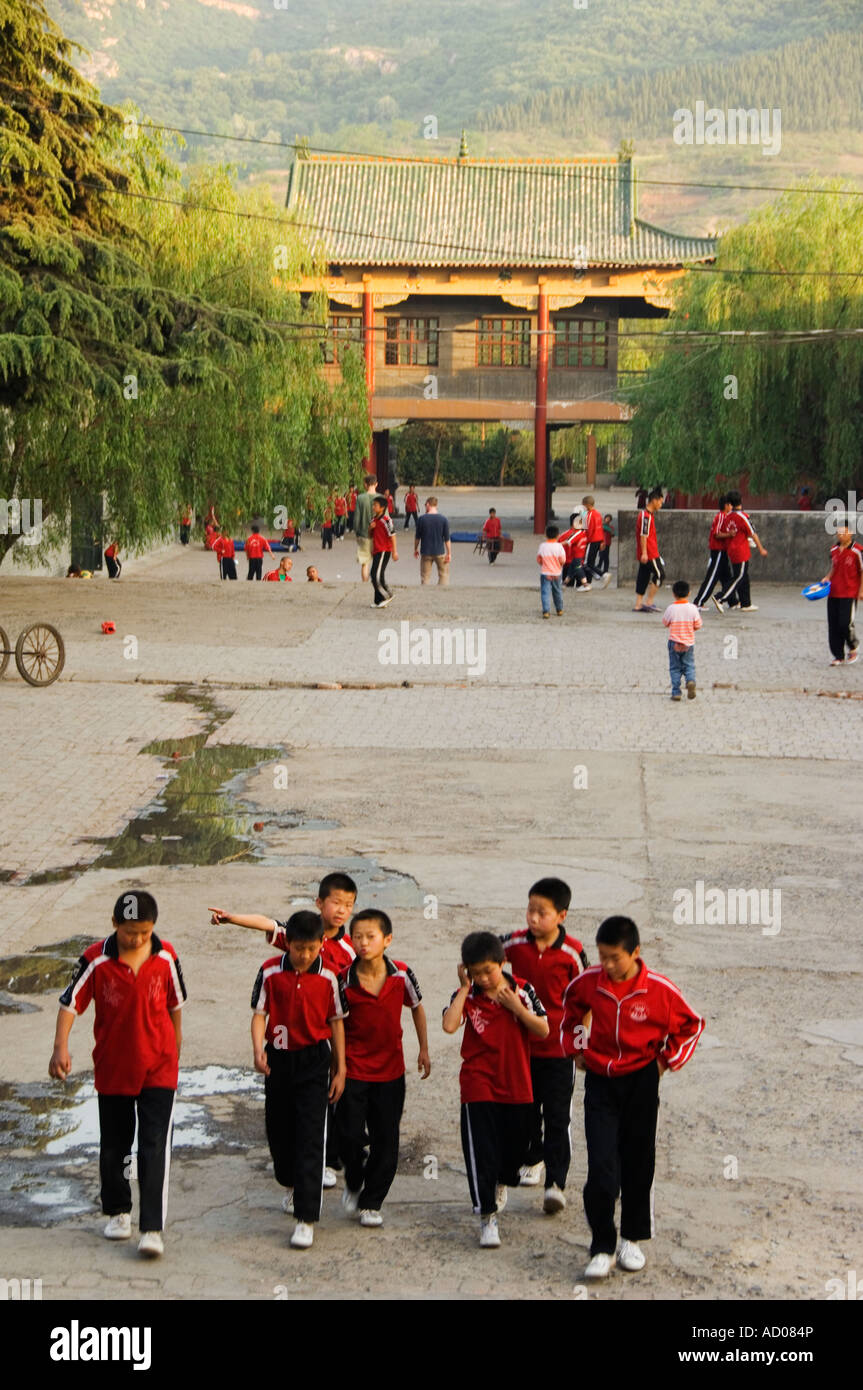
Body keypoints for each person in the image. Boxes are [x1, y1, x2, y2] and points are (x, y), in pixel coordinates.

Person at [560, 916, 704, 1280]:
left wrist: (663, 1063)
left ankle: (632, 1238)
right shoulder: (590, 982)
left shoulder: (659, 990)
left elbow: (691, 1025)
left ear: (635, 952)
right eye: (602, 956)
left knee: (638, 1161)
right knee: (602, 1165)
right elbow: (570, 1008)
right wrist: (577, 1049)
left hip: (642, 1081)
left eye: (615, 958)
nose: (607, 965)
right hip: (601, 1081)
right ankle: (602, 1246)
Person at [49, 889, 186, 1258]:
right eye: (129, 931)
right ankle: (118, 1210)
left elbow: (176, 1005)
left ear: (153, 927)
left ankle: (152, 1228)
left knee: (154, 1146)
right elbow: (70, 1003)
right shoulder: (96, 959)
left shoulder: (166, 956)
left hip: (159, 1067)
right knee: (116, 1146)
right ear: (114, 925)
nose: (136, 938)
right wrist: (60, 1046)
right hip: (113, 1067)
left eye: (142, 931)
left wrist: (175, 1049)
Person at [210, 871, 358, 1188]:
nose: (342, 910)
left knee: (330, 1100)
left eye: (349, 904)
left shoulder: (349, 950)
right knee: (290, 1110)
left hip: (330, 1031)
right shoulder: (298, 935)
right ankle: (295, 1163)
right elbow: (267, 923)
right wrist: (232, 918)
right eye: (336, 902)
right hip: (290, 1036)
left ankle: (327, 1160)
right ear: (320, 903)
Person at [442, 931, 548, 1248]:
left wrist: (518, 1008)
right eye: (476, 973)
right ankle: (487, 1216)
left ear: (502, 963)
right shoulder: (468, 994)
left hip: (516, 1082)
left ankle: (503, 1179)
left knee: (517, 1146)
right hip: (478, 1081)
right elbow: (449, 1026)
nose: (484, 979)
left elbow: (543, 1030)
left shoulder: (522, 990)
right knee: (481, 1150)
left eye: (488, 971)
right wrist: (463, 987)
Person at [250, 911, 346, 1250]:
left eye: (311, 949)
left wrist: (341, 1068)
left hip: (314, 1060)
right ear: (286, 943)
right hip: (278, 1056)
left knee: (310, 1136)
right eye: (298, 948)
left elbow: (336, 1023)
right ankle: (289, 1184)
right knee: (278, 1130)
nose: (304, 955)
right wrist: (258, 1050)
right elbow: (259, 1014)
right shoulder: (269, 972)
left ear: (322, 944)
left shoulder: (330, 978)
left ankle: (306, 1218)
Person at [499, 878, 588, 1214]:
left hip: (559, 1050)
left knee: (557, 1116)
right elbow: (483, 957)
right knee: (523, 1111)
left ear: (561, 916)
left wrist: (581, 1046)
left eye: (542, 913)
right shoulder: (514, 943)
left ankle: (556, 1183)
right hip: (521, 1047)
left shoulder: (573, 954)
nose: (533, 918)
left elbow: (586, 1001)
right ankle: (532, 1157)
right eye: (530, 910)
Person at [338, 909, 430, 1227]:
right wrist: (336, 1067)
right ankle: (353, 1178)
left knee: (386, 1139)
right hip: (352, 1070)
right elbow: (333, 1024)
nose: (363, 943)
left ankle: (371, 1201)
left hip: (391, 1072)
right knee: (347, 1135)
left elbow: (417, 1007)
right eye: (357, 937)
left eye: (370, 937)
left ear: (387, 940)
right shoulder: (342, 980)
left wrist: (424, 1049)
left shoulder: (401, 974)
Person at [712, 490, 767, 613]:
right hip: (740, 551)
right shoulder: (743, 517)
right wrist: (761, 548)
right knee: (739, 576)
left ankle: (746, 603)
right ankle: (720, 597)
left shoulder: (728, 517)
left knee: (744, 576)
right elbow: (753, 534)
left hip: (732, 549)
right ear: (741, 501)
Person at [819, 518, 863, 665]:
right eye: (838, 532)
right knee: (833, 624)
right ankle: (838, 655)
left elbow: (862, 571)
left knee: (845, 623)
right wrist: (827, 577)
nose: (841, 535)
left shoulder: (857, 551)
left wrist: (861, 591)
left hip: (849, 592)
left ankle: (853, 646)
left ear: (850, 533)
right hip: (834, 592)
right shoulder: (833, 550)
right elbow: (834, 567)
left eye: (844, 532)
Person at [662, 579, 702, 701]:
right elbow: (698, 624)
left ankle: (676, 692)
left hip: (674, 642)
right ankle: (690, 680)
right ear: (689, 593)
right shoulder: (693, 608)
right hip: (688, 643)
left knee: (675, 667)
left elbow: (665, 622)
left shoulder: (671, 608)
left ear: (674, 594)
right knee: (689, 665)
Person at [693, 495, 732, 610]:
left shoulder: (724, 517)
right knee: (712, 577)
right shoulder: (721, 516)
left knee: (727, 577)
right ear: (726, 506)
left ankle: (733, 601)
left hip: (723, 551)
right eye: (730, 505)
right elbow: (717, 533)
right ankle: (699, 601)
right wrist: (730, 535)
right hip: (718, 550)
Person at [633, 487, 664, 612]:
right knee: (660, 575)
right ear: (654, 501)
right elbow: (643, 535)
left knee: (643, 576)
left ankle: (638, 604)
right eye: (660, 502)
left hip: (646, 551)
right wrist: (645, 552)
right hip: (650, 552)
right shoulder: (646, 517)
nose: (661, 504)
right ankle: (649, 601)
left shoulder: (645, 515)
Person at [414, 497, 451, 586]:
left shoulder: (421, 519)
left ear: (428, 504)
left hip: (426, 552)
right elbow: (447, 539)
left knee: (425, 576)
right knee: (443, 575)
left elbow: (417, 537)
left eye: (425, 505)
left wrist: (415, 549)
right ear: (436, 505)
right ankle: (442, 592)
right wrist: (449, 553)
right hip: (440, 552)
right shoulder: (443, 519)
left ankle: (426, 594)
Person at [370, 495, 397, 608]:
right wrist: (370, 528)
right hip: (376, 550)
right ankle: (379, 601)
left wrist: (394, 551)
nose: (373, 507)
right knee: (378, 575)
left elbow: (393, 535)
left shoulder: (386, 520)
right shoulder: (374, 520)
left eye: (375, 505)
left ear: (382, 508)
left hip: (384, 550)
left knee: (374, 575)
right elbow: (370, 535)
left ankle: (387, 595)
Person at [537, 524, 567, 619]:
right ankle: (559, 609)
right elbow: (563, 560)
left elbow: (539, 559)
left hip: (545, 573)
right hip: (557, 573)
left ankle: (546, 611)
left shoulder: (542, 546)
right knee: (557, 591)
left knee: (545, 592)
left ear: (546, 535)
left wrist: (544, 564)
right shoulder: (559, 547)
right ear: (558, 535)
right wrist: (559, 565)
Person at [582, 496, 612, 588]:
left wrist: (586, 541)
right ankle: (590, 581)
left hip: (592, 540)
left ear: (587, 504)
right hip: (599, 540)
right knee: (591, 562)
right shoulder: (598, 514)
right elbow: (600, 529)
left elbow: (590, 529)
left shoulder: (589, 514)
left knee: (587, 563)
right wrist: (602, 541)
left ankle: (603, 574)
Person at [354, 473, 379, 583]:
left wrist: (357, 532)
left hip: (364, 534)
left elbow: (356, 519)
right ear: (376, 484)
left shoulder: (360, 498)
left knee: (365, 562)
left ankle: (365, 582)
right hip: (378, 535)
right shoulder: (381, 498)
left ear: (365, 485)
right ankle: (376, 582)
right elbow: (386, 519)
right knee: (377, 561)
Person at [560, 514, 589, 590]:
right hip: (581, 561)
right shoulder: (585, 534)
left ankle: (585, 585)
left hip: (569, 562)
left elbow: (566, 543)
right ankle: (564, 583)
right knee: (572, 571)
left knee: (577, 569)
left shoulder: (565, 535)